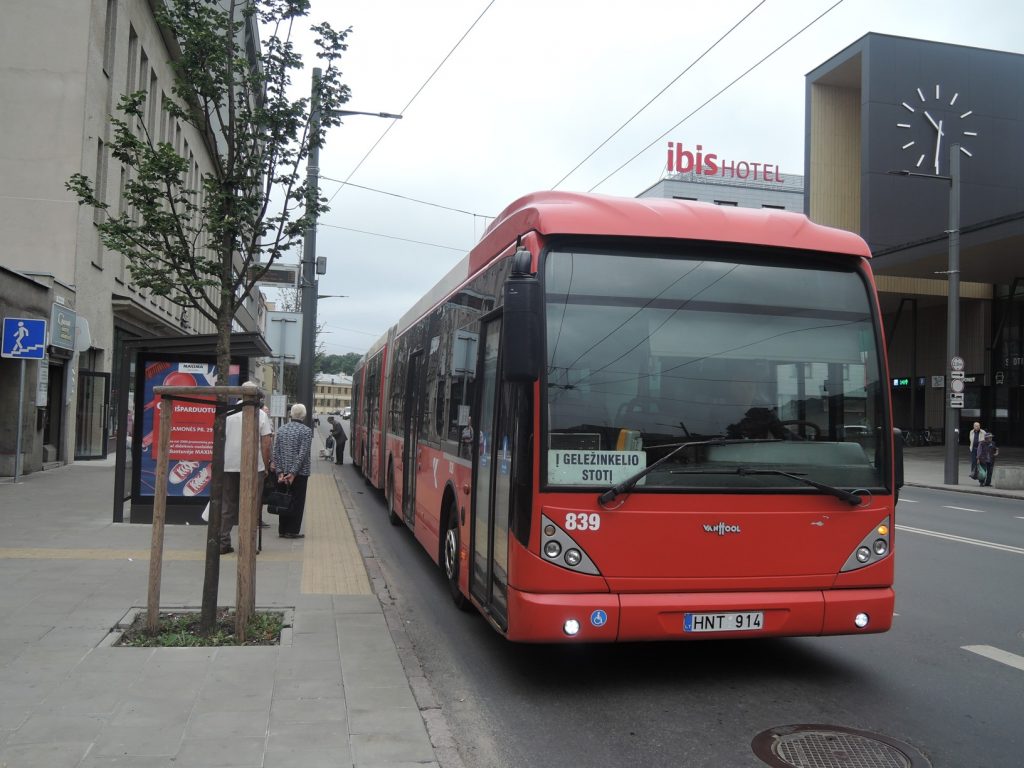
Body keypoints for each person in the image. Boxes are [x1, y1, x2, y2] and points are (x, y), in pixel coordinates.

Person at [220, 388, 273, 555]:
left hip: (229, 465)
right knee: (251, 504)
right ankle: (247, 544)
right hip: (252, 466)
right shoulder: (261, 415)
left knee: (228, 504)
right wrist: (265, 465)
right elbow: (265, 444)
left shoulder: (228, 413)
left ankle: (223, 541)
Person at [273, 403, 313, 538]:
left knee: (283, 499)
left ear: (291, 414)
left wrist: (279, 471)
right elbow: (303, 454)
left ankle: (282, 529)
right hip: (300, 473)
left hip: (282, 472)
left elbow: (276, 451)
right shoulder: (306, 431)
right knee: (297, 501)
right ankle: (292, 530)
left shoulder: (281, 429)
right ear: (304, 415)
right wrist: (293, 472)